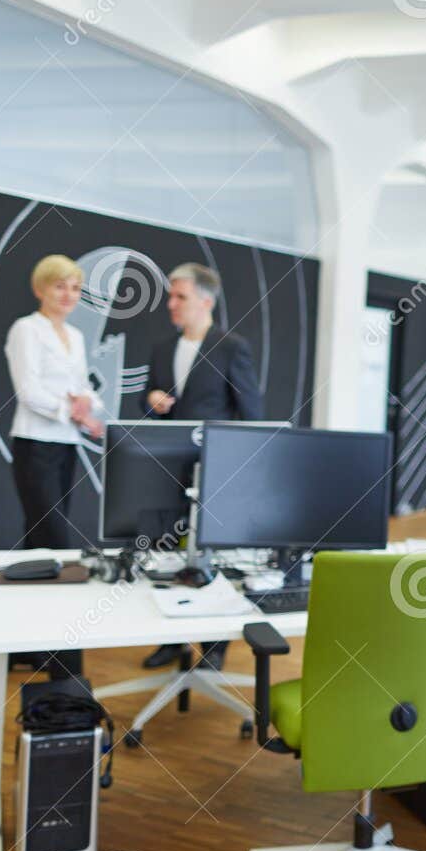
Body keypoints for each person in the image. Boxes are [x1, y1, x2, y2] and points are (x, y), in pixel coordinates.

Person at [140, 262, 263, 671]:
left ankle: (213, 646)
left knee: (211, 560)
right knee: (166, 556)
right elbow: (147, 401)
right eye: (171, 296)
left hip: (215, 472)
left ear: (206, 301)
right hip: (167, 470)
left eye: (180, 296)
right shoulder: (161, 348)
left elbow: (250, 413)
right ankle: (170, 641)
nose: (171, 304)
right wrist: (151, 402)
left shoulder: (231, 347)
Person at [4, 254, 105, 679]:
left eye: (75, 288)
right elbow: (28, 391)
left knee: (38, 545)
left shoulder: (76, 336)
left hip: (64, 447)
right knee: (58, 544)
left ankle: (23, 646)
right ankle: (66, 666)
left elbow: (84, 388)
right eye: (59, 286)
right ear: (41, 289)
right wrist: (74, 412)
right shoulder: (26, 329)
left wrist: (90, 409)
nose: (67, 295)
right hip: (34, 444)